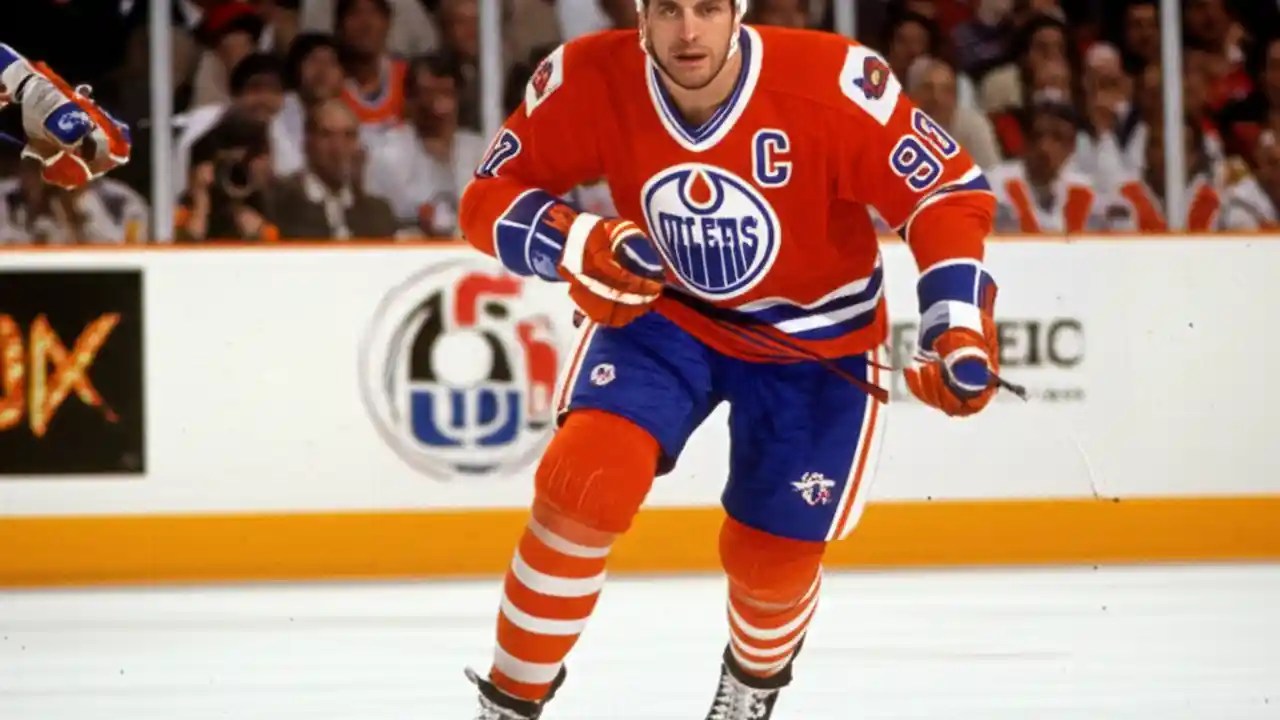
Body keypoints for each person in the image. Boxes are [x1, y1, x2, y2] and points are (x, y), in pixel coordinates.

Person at [457, 1, 1002, 718]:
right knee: (585, 480)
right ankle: (508, 704)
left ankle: (751, 686)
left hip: (817, 341)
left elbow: (945, 191)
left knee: (769, 566)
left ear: (738, 10)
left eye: (708, 8)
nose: (688, 32)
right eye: (669, 9)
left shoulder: (832, 82)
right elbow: (487, 196)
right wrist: (575, 240)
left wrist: (956, 321)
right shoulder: (587, 78)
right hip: (665, 313)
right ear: (640, 16)